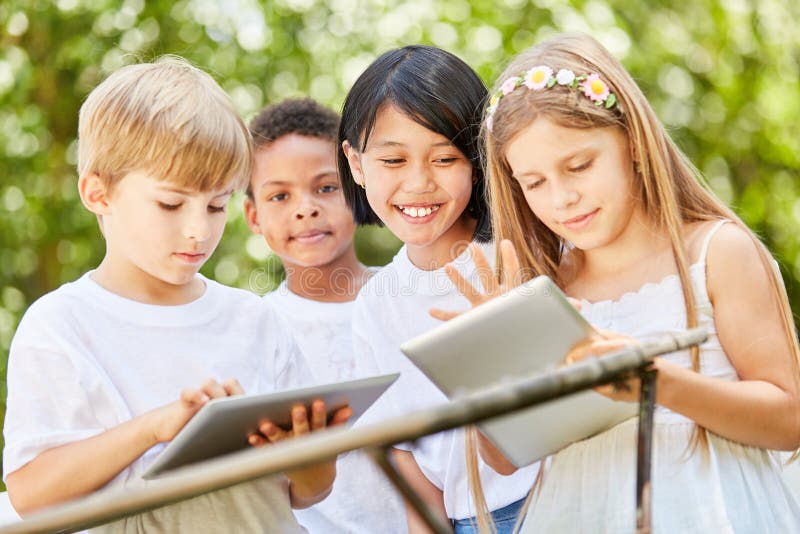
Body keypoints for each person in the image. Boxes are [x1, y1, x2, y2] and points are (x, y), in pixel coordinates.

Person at [439, 32, 800, 532]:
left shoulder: (717, 253)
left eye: (579, 165)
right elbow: (505, 460)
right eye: (535, 183)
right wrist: (491, 358)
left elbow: (789, 419)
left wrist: (656, 383)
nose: (562, 198)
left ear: (632, 143)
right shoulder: (548, 287)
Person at [3, 58, 347, 532]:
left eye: (216, 205)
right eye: (170, 204)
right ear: (98, 194)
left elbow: (308, 492)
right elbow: (31, 494)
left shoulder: (254, 320)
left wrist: (310, 453)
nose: (197, 230)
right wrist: (156, 428)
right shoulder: (61, 325)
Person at [338, 45, 538, 533]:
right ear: (356, 164)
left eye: (445, 157)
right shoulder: (377, 306)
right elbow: (408, 463)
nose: (418, 183)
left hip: (556, 500)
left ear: (477, 158)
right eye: (392, 160)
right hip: (467, 521)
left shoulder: (522, 255)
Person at [244, 97, 406, 533]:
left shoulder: (406, 293)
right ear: (253, 216)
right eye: (280, 195)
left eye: (326, 187)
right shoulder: (256, 328)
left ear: (357, 188)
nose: (306, 208)